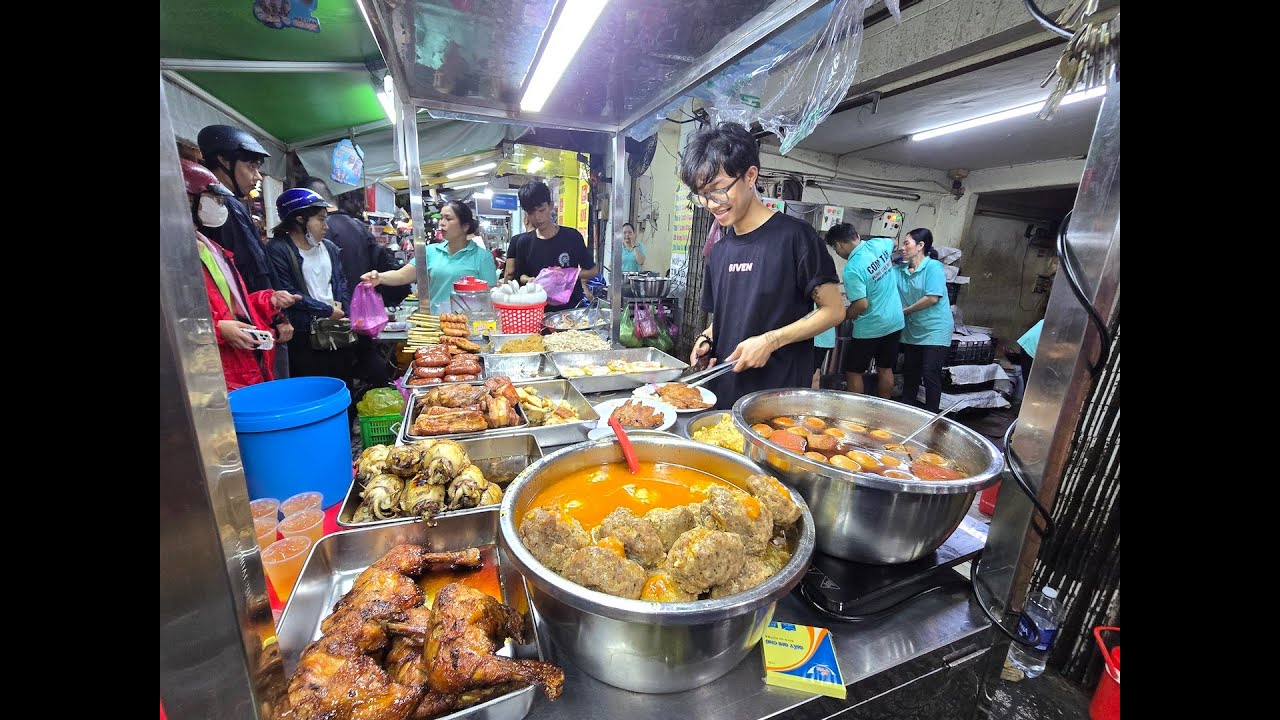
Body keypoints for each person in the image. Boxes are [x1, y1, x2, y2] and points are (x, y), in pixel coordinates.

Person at [681, 122, 843, 408]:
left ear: (750, 176)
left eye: (718, 190)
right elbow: (724, 317)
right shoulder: (719, 251)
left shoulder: (796, 237)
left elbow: (834, 310)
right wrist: (705, 338)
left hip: (777, 401)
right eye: (702, 194)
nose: (711, 203)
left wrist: (771, 340)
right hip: (725, 396)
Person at [182, 159, 299, 390]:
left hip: (245, 368)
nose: (219, 205)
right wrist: (217, 330)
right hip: (212, 377)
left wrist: (268, 300)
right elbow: (174, 324)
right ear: (186, 201)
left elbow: (235, 307)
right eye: (212, 199)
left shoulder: (213, 249)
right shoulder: (173, 258)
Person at [265, 189, 358, 385]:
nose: (326, 226)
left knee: (342, 384)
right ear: (300, 219)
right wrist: (327, 310)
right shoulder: (278, 249)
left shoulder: (329, 248)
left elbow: (340, 281)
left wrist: (344, 311)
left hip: (336, 330)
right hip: (304, 336)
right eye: (320, 219)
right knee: (312, 387)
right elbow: (288, 292)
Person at [361, 200, 498, 313]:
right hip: (434, 325)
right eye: (441, 218)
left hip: (468, 327)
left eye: (448, 219)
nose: (441, 223)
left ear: (465, 226)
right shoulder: (430, 252)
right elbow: (402, 275)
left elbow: (489, 297)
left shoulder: (482, 257)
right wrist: (379, 278)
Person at [826, 223, 904, 399]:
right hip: (895, 321)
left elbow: (861, 304)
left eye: (835, 249)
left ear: (838, 245)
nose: (837, 252)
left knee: (854, 371)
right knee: (885, 368)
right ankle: (884, 408)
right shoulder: (878, 244)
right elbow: (894, 243)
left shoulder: (852, 268)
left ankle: (856, 412)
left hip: (871, 327)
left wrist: (844, 316)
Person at [503, 180, 598, 312]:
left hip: (570, 312)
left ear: (551, 206)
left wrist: (567, 275)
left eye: (541, 210)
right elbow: (520, 276)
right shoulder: (523, 242)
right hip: (537, 312)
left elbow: (593, 271)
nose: (537, 217)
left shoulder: (572, 237)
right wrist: (530, 280)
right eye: (531, 212)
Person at [896, 228, 954, 412]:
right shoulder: (901, 271)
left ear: (920, 245)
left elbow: (932, 298)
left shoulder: (933, 267)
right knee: (910, 374)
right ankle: (907, 413)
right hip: (913, 330)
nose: (902, 247)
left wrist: (905, 311)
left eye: (907, 243)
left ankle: (931, 418)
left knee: (930, 373)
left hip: (935, 329)